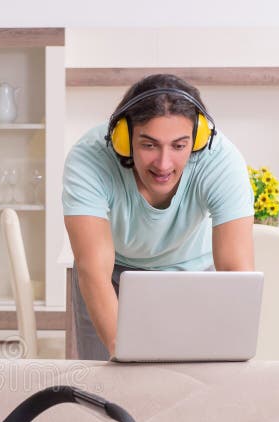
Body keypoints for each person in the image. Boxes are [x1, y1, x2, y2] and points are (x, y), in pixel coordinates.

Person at [62, 73, 254, 360]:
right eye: (149, 145)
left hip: (194, 276)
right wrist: (122, 352)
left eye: (179, 146)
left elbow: (235, 270)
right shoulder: (89, 159)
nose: (164, 164)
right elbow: (94, 269)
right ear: (124, 139)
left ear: (197, 139)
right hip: (111, 276)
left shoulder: (220, 160)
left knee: (194, 384)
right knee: (103, 384)